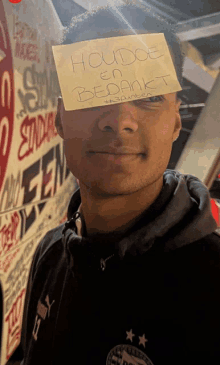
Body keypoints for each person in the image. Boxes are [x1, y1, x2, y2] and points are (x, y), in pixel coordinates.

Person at [8, 2, 220, 365]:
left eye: (150, 97)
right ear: (60, 117)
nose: (120, 120)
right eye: (93, 91)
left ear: (174, 120)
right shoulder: (50, 252)